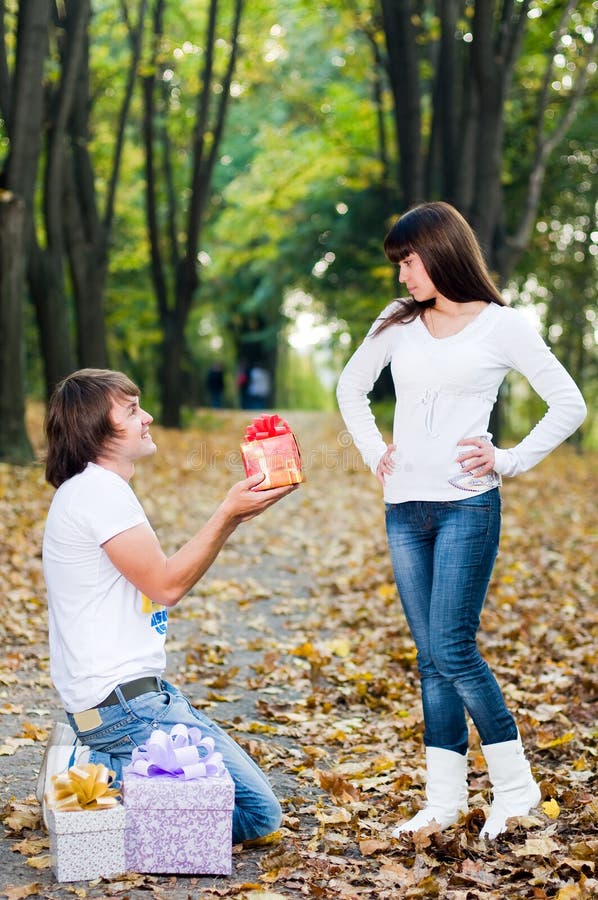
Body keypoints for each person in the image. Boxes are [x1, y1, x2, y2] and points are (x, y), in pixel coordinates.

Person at [336, 202, 586, 840]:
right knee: (429, 659)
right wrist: (374, 453)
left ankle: (516, 788)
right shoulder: (397, 323)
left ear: (441, 253)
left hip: (467, 505)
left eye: (409, 262)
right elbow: (350, 388)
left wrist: (508, 460)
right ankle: (443, 801)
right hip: (404, 507)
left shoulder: (501, 326)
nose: (402, 277)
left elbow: (569, 403)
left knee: (452, 647)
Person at [38, 368, 299, 844]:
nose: (149, 417)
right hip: (125, 708)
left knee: (241, 804)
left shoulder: (94, 489)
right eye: (133, 410)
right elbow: (167, 585)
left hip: (133, 698)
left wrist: (232, 518)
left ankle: (100, 780)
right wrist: (227, 515)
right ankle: (90, 782)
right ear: (96, 428)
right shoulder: (99, 493)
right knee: (257, 814)